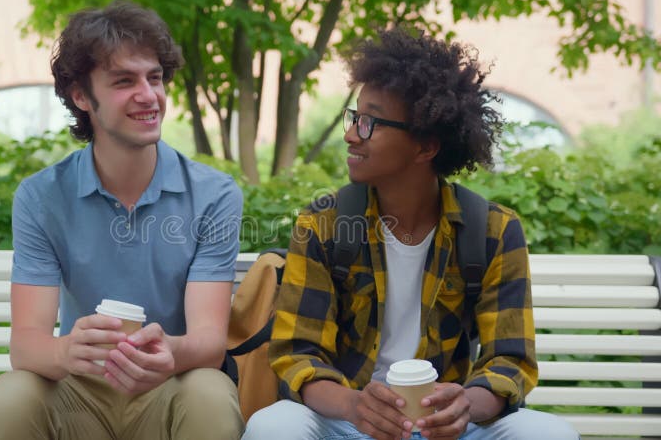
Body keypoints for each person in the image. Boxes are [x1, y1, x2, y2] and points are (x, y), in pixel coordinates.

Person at [243, 28, 579, 440]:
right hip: (349, 421)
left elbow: (510, 361)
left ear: (425, 148)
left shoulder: (493, 231)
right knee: (273, 427)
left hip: (450, 426)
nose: (351, 134)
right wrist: (355, 405)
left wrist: (464, 405)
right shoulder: (322, 224)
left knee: (547, 434)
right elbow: (299, 354)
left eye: (369, 123)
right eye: (355, 117)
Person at [0, 0, 244, 440]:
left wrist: (165, 353)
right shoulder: (42, 197)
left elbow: (209, 343)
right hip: (77, 394)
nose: (148, 95)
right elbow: (26, 344)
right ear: (81, 96)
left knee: (209, 392)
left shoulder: (214, 195)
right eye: (124, 81)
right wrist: (66, 353)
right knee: (11, 396)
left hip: (167, 389)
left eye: (154, 78)